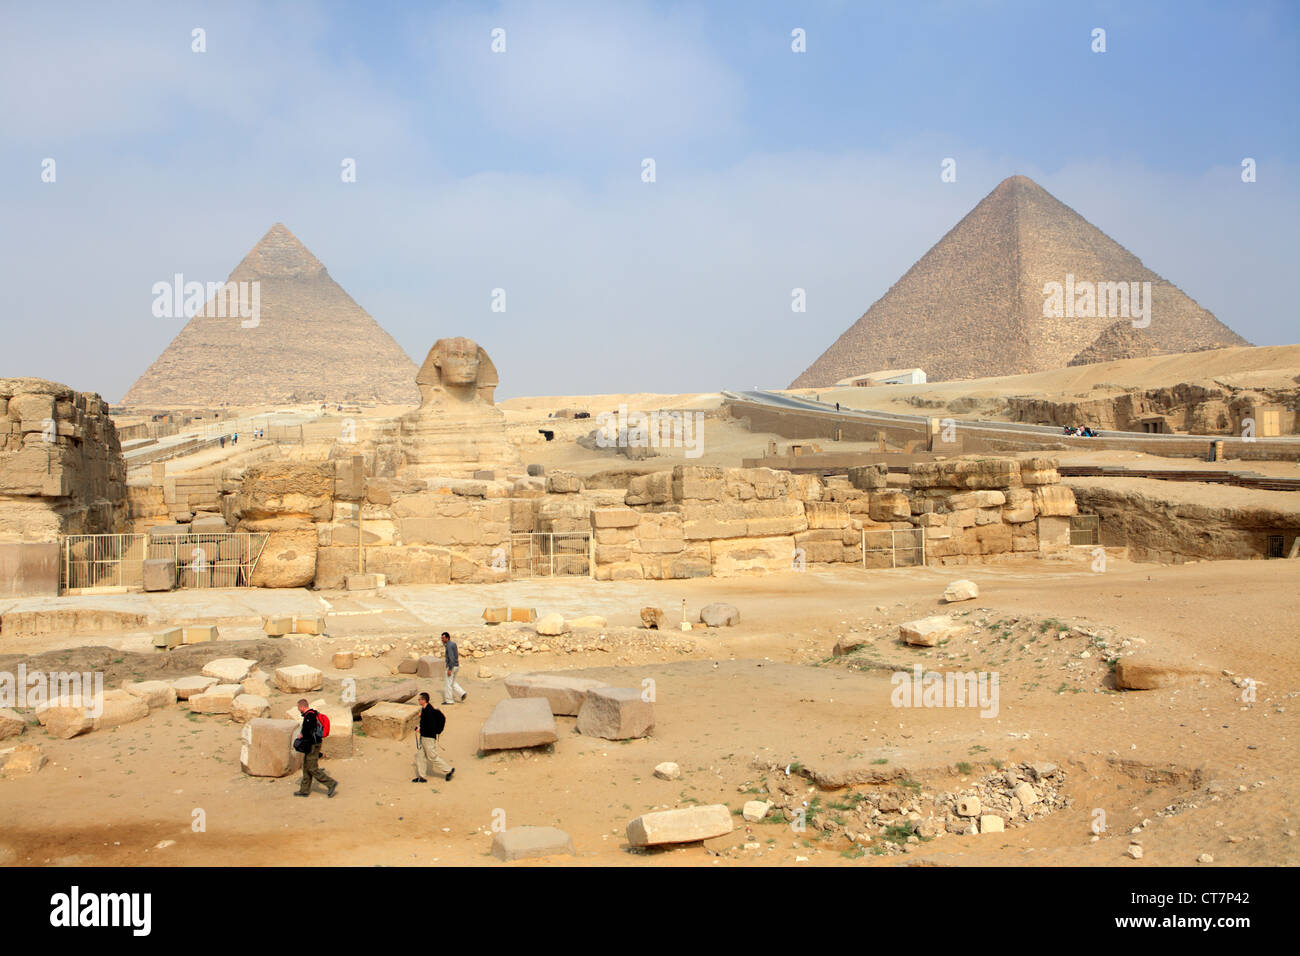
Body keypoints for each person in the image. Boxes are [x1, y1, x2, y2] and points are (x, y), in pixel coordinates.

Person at [293, 699, 337, 798]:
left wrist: (301, 736)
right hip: (311, 745)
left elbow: (309, 732)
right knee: (306, 767)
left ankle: (330, 783)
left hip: (312, 745)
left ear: (302, 707)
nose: (298, 709)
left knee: (312, 768)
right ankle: (304, 790)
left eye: (298, 708)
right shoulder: (313, 714)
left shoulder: (310, 716)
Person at [412, 692, 454, 783]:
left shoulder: (429, 711)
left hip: (429, 738)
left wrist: (420, 730)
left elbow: (430, 726)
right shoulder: (425, 709)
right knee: (420, 756)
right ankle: (422, 776)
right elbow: (425, 723)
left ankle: (449, 770)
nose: (418, 701)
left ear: (424, 700)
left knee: (432, 757)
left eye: (419, 699)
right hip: (424, 737)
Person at [441, 631, 466, 704]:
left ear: (447, 638)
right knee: (452, 682)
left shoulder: (449, 646)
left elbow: (451, 658)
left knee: (448, 684)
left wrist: (450, 669)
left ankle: (449, 700)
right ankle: (462, 693)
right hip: (456, 666)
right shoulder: (453, 644)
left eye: (443, 638)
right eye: (441, 638)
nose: (442, 640)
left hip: (451, 666)